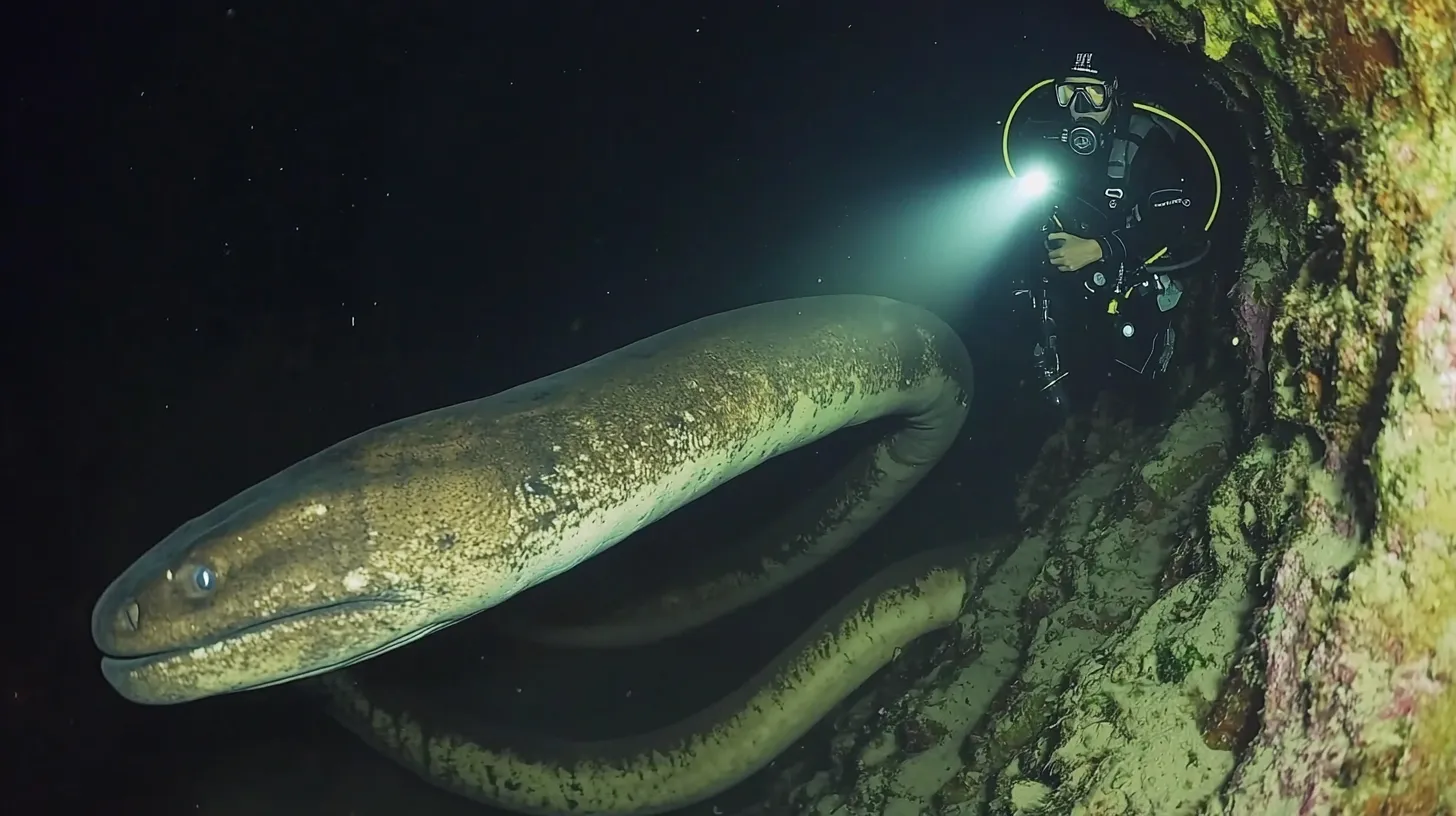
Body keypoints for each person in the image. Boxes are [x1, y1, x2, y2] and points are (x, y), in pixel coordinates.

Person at [1018, 51, 1209, 411]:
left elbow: (1175, 218)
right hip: (1076, 284)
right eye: (1069, 93)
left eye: (1092, 93)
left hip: (1132, 276)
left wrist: (1099, 249)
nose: (1080, 105)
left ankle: (1151, 402)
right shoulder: (1051, 143)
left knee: (1138, 378)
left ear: (1113, 92)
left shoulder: (1145, 140)